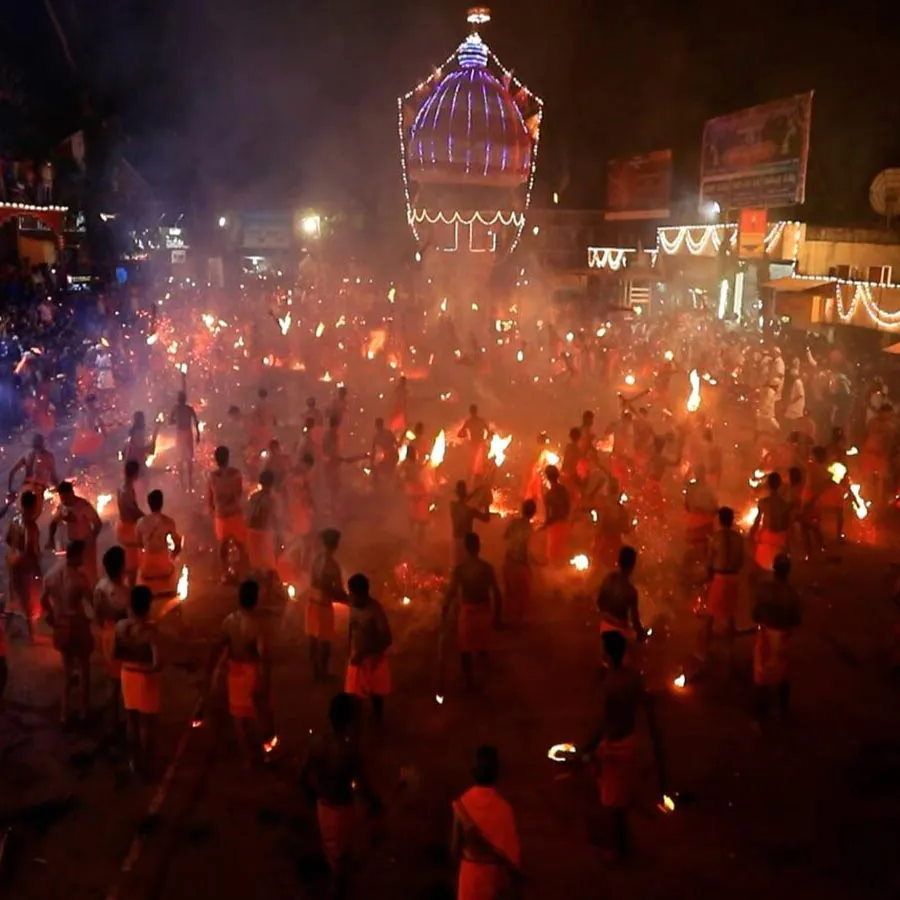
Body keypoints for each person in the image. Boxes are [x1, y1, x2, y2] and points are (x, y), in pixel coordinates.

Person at [581, 630, 664, 860]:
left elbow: (604, 723)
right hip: (629, 740)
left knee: (613, 803)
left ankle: (619, 850)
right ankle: (619, 842)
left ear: (607, 654)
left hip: (614, 747)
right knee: (618, 797)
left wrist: (586, 749)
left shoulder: (610, 685)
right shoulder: (634, 677)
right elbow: (646, 706)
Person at [300, 693, 381, 893]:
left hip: (323, 806)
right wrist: (375, 804)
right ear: (350, 722)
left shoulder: (317, 742)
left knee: (334, 854)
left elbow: (304, 775)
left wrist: (311, 797)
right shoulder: (349, 751)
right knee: (341, 860)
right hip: (342, 811)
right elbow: (363, 786)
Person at [204, 579, 271, 761]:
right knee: (256, 714)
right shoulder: (257, 626)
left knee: (238, 717)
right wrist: (264, 679)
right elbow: (262, 655)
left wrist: (211, 670)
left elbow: (218, 647)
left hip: (235, 672)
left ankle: (247, 756)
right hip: (251, 672)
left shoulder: (229, 621)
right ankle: (262, 752)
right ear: (255, 600)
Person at [451, 745, 522, 900]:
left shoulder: (461, 804)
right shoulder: (504, 808)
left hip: (469, 875)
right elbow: (512, 856)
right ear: (496, 773)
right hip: (493, 878)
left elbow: (455, 848)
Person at [41, 540, 94, 724]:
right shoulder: (79, 578)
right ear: (76, 555)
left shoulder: (52, 574)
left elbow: (43, 600)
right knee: (85, 668)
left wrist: (51, 616)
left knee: (67, 669)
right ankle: (83, 711)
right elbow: (92, 601)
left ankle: (64, 713)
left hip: (61, 625)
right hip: (77, 624)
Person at [443, 532, 502, 691]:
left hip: (467, 613)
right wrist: (497, 616)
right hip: (484, 611)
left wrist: (444, 613)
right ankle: (484, 680)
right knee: (482, 647)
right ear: (479, 547)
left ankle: (469, 682)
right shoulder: (487, 568)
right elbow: (496, 592)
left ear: (465, 548)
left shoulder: (460, 570)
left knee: (465, 649)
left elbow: (450, 593)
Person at [114, 586, 161, 777]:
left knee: (131, 720)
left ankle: (133, 761)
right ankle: (146, 763)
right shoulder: (151, 630)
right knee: (146, 724)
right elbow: (158, 662)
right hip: (145, 678)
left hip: (127, 675)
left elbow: (114, 655)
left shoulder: (120, 627)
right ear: (148, 605)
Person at [752, 554, 802, 725]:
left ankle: (761, 717)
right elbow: (796, 620)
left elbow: (755, 614)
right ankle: (783, 712)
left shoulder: (764, 589)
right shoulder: (792, 594)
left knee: (762, 676)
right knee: (783, 676)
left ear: (774, 569)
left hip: (766, 636)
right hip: (783, 637)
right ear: (788, 571)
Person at [345, 573, 392, 724]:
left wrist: (367, 652)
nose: (350, 596)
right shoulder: (354, 606)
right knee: (354, 695)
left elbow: (387, 638)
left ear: (362, 594)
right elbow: (352, 629)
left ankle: (378, 723)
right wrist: (351, 649)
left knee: (376, 694)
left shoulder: (375, 611)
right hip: (357, 657)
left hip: (374, 660)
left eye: (352, 593)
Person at [700, 506, 744, 667]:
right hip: (733, 578)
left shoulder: (715, 538)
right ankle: (730, 655)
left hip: (719, 578)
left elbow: (709, 563)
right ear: (732, 520)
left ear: (719, 520)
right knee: (730, 617)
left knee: (710, 616)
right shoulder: (739, 539)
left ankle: (704, 653)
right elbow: (740, 561)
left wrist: (707, 580)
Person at [93, 546, 130, 725]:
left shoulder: (100, 586)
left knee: (112, 679)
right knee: (124, 679)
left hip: (106, 633)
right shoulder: (122, 592)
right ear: (120, 566)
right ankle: (125, 722)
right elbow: (129, 616)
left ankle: (113, 720)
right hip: (121, 636)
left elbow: (97, 613)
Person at [307, 528, 348, 681]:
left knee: (313, 636)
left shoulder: (316, 560)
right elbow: (335, 589)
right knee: (325, 639)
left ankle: (315, 669)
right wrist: (349, 600)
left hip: (312, 602)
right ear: (336, 545)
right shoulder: (332, 565)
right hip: (323, 604)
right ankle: (322, 672)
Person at [5, 490, 42, 641]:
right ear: (33, 506)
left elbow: (8, 539)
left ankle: (7, 630)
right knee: (30, 598)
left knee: (14, 595)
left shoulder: (15, 520)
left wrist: (15, 551)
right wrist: (35, 563)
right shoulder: (30, 525)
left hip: (13, 560)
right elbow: (30, 548)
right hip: (26, 564)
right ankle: (31, 634)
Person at [48, 482, 102, 584]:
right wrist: (50, 538)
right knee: (74, 574)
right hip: (72, 545)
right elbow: (53, 523)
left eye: (65, 497)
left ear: (71, 493)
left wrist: (91, 539)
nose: (63, 500)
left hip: (86, 544)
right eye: (61, 497)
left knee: (89, 574)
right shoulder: (62, 507)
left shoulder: (83, 506)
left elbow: (98, 523)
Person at [207, 446, 246, 578]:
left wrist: (213, 511)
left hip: (221, 515)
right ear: (228, 458)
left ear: (216, 460)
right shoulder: (236, 474)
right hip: (235, 512)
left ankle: (225, 572)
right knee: (240, 545)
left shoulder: (212, 477)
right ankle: (241, 571)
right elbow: (240, 493)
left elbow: (209, 498)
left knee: (223, 545)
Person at [136, 490, 182, 599]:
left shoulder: (141, 522)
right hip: (164, 568)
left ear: (149, 504)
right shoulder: (168, 522)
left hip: (147, 568)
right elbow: (178, 544)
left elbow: (139, 544)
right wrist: (173, 556)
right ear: (162, 503)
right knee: (174, 570)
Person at [596, 545, 646, 641]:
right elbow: (635, 620)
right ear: (633, 564)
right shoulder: (630, 591)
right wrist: (642, 634)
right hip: (619, 634)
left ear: (619, 561)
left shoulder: (609, 579)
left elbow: (599, 602)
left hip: (603, 629)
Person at [8, 432, 58, 517]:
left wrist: (10, 490)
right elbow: (53, 477)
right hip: (36, 490)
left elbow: (12, 472)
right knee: (31, 518)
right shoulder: (48, 456)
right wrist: (58, 488)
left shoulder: (27, 454)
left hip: (26, 489)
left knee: (22, 517)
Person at [749, 472, 791, 572]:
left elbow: (757, 522)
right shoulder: (784, 504)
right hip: (780, 539)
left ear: (767, 485)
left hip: (766, 538)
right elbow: (787, 526)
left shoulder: (763, 503)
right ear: (780, 485)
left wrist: (751, 535)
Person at [502, 500, 535, 624]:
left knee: (509, 593)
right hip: (520, 564)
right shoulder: (529, 528)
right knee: (523, 595)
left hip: (508, 561)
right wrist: (536, 563)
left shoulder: (514, 523)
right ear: (533, 513)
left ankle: (508, 619)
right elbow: (527, 549)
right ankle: (519, 621)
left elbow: (505, 536)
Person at [246, 470, 282, 574]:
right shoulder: (273, 499)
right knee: (269, 566)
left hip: (252, 532)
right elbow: (275, 518)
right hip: (265, 533)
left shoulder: (253, 497)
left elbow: (248, 514)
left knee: (256, 564)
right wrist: (279, 536)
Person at [450, 480, 490, 567]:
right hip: (467, 543)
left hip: (457, 541)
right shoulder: (469, 510)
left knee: (458, 568)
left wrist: (478, 490)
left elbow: (466, 499)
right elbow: (486, 518)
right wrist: (486, 504)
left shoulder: (453, 506)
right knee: (466, 568)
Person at [116, 460, 144, 584]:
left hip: (125, 525)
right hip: (128, 529)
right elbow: (132, 510)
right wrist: (146, 518)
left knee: (131, 561)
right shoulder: (126, 489)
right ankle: (131, 591)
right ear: (136, 473)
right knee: (132, 565)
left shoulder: (123, 486)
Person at [169, 390, 201, 491]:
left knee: (185, 459)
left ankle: (187, 483)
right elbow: (196, 422)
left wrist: (177, 421)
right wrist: (198, 435)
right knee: (184, 459)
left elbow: (170, 421)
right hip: (185, 434)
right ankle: (186, 483)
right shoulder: (186, 409)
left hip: (184, 434)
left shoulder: (178, 408)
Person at [543, 465, 571, 566]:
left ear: (547, 477)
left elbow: (548, 516)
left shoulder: (549, 495)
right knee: (563, 553)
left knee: (554, 555)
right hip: (565, 524)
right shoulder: (563, 490)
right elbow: (568, 506)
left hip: (554, 526)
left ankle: (554, 577)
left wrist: (543, 527)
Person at [458, 404, 489, 479]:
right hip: (479, 444)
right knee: (479, 462)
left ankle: (475, 477)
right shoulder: (480, 421)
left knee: (473, 462)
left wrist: (466, 436)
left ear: (470, 412)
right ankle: (479, 477)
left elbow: (459, 434)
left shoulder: (469, 422)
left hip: (474, 444)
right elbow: (488, 431)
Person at [370, 417, 399, 483]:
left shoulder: (377, 436)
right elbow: (396, 443)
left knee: (386, 473)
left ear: (376, 426)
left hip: (390, 457)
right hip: (391, 456)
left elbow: (374, 450)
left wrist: (372, 463)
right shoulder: (387, 433)